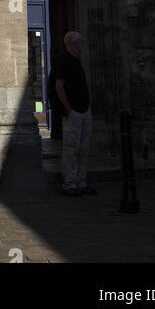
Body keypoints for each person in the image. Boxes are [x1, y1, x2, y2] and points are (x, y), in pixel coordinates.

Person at [55, 31, 95, 197]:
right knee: (71, 148)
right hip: (74, 111)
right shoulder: (64, 61)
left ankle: (81, 181)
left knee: (83, 148)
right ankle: (70, 183)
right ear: (72, 44)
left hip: (84, 109)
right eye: (80, 43)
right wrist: (68, 108)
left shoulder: (77, 61)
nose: (82, 46)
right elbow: (59, 86)